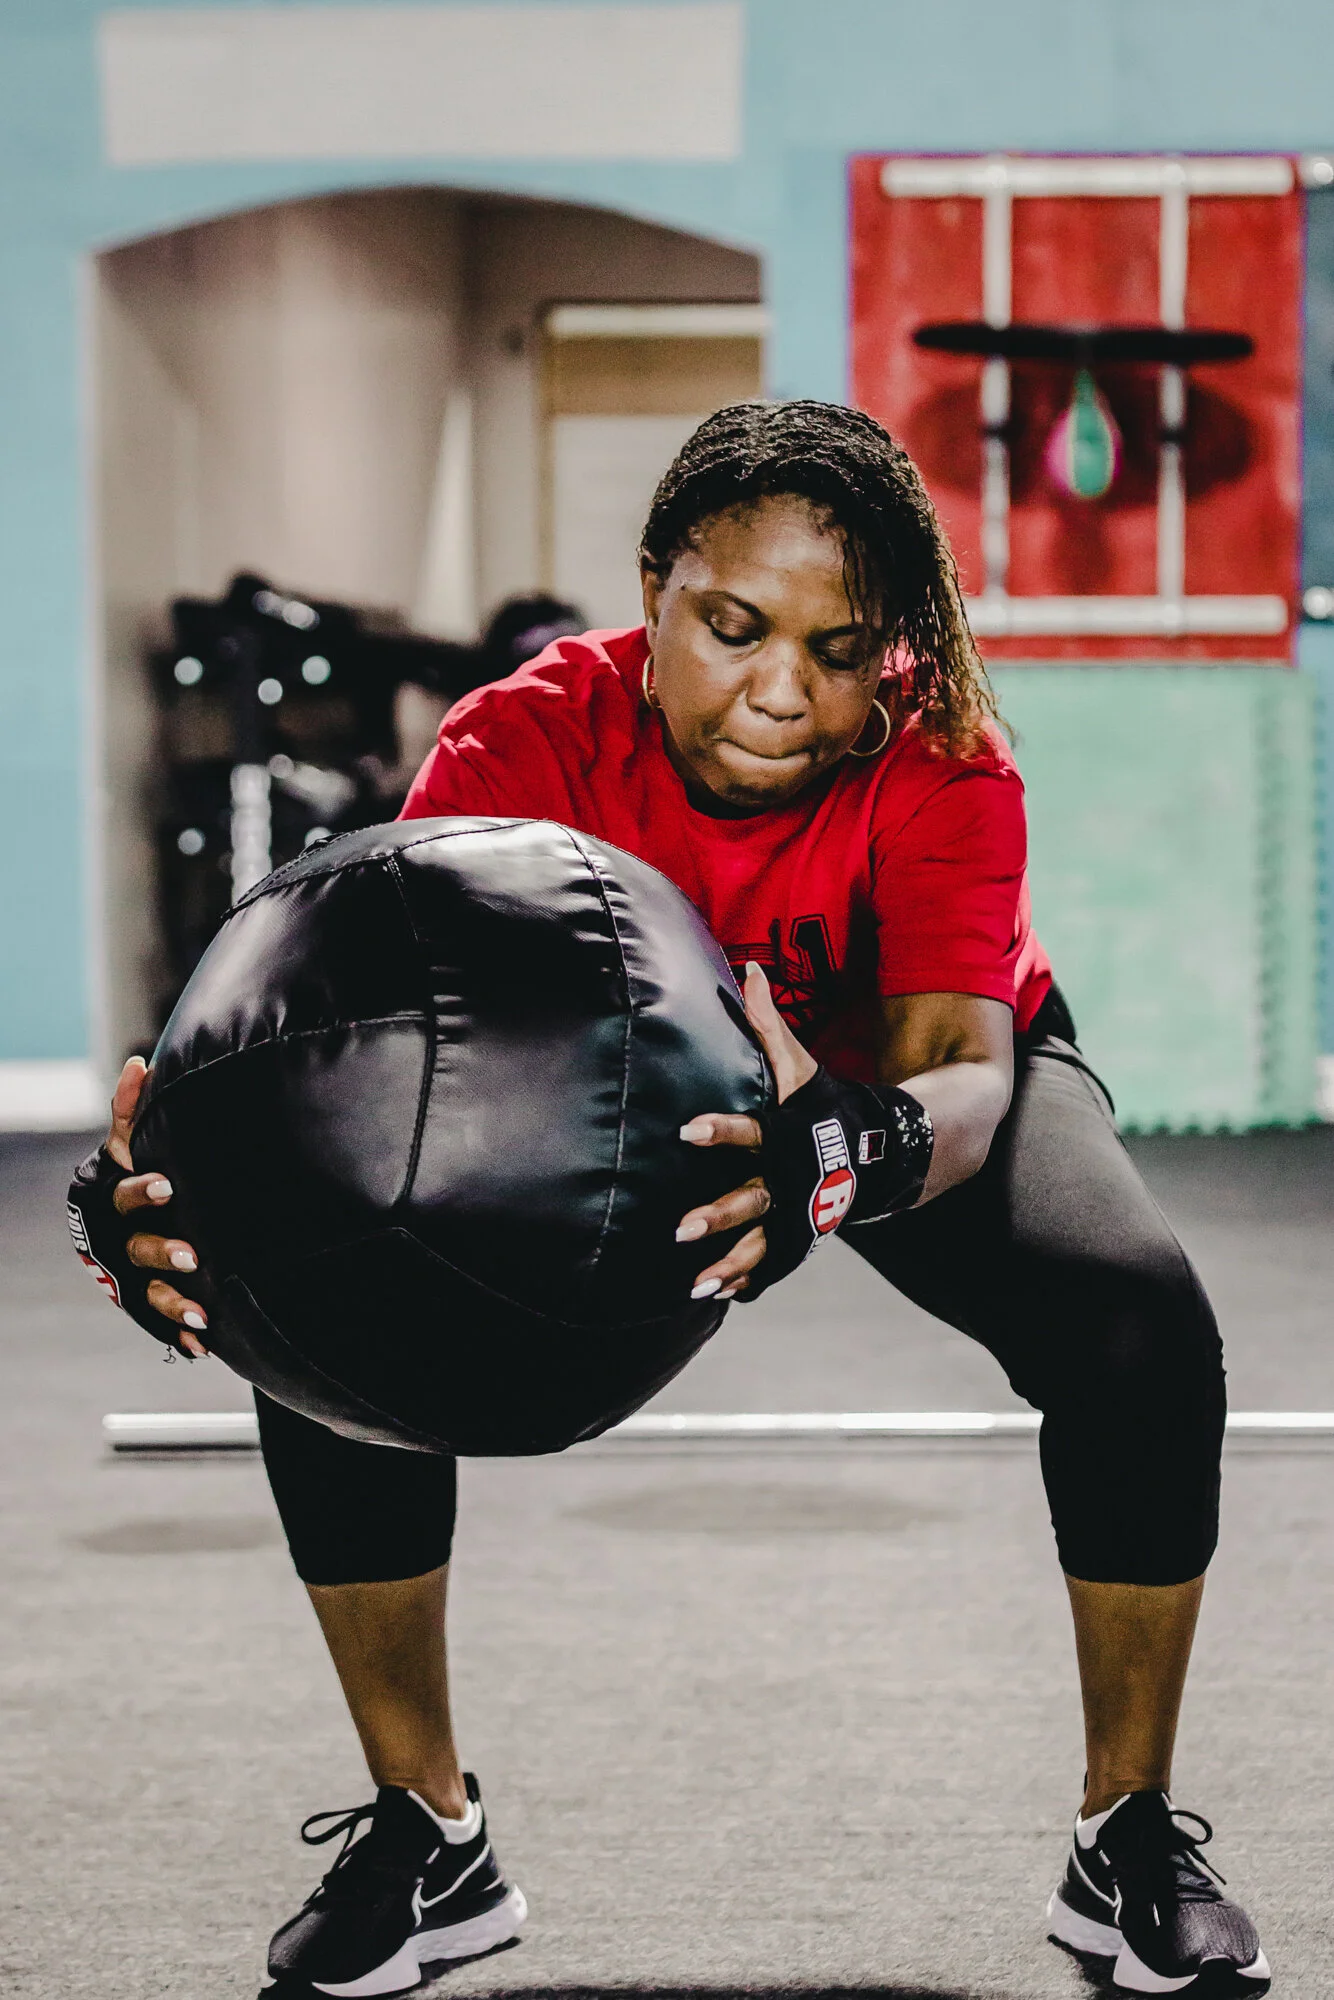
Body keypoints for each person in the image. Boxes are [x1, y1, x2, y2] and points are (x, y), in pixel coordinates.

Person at [97, 401, 1267, 1998]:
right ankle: (425, 1830)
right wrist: (176, 1183)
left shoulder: (940, 755)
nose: (783, 691)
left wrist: (839, 1155)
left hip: (889, 1095)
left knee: (1136, 1318)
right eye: (732, 627)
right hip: (624, 1106)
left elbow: (968, 1080)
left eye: (841, 649)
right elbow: (377, 1039)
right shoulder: (521, 742)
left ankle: (1124, 1831)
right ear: (652, 585)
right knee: (334, 1295)